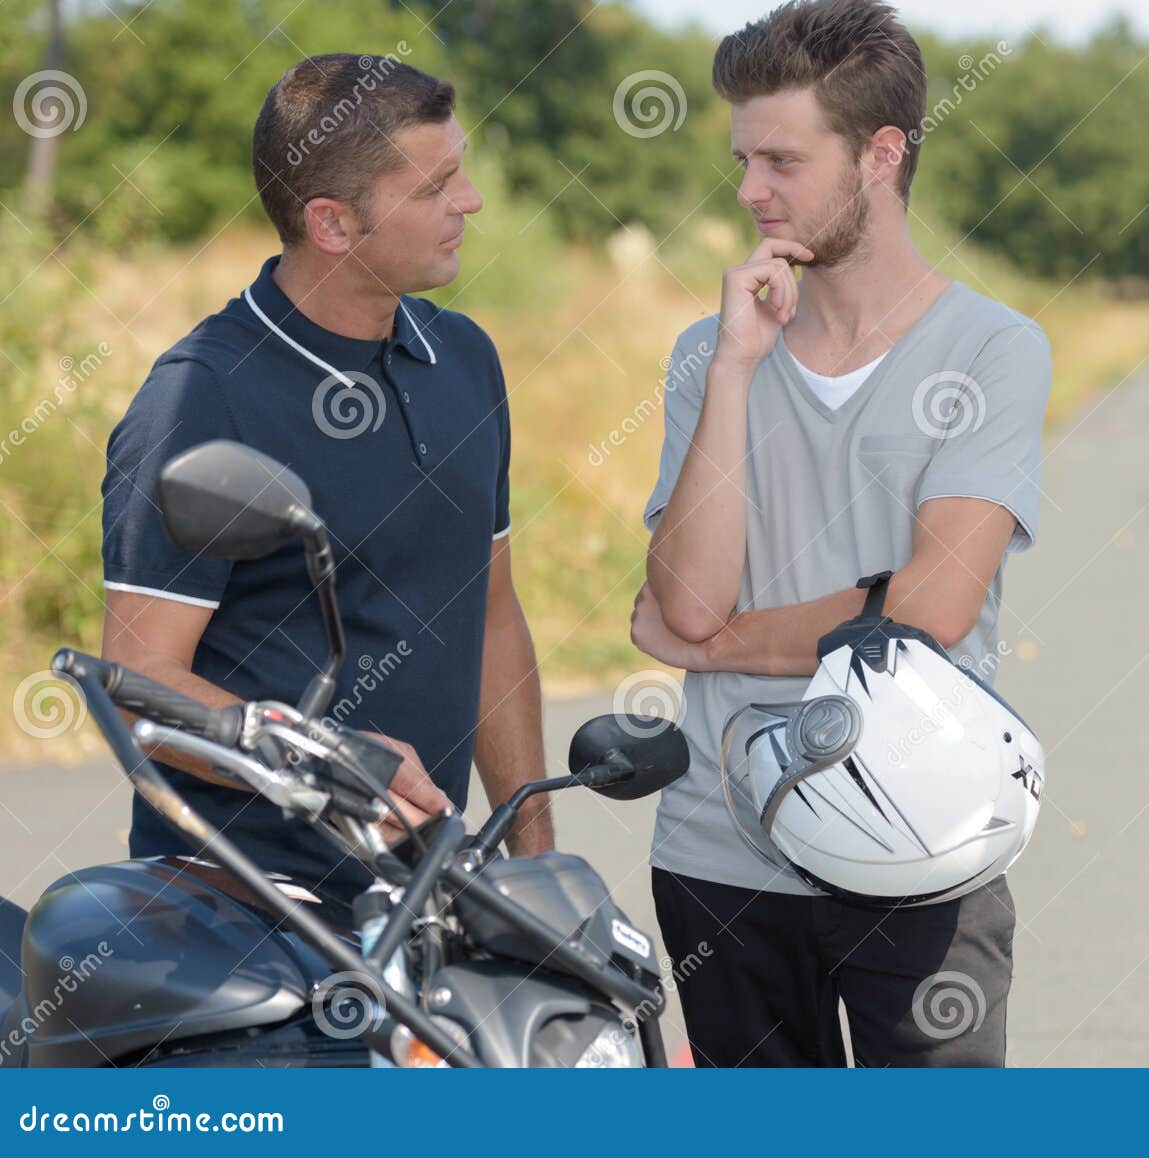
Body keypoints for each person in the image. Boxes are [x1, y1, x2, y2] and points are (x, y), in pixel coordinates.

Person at [629, 0, 1051, 1067]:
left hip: (922, 841)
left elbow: (931, 608)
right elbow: (683, 601)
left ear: (880, 153)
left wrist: (721, 646)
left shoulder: (994, 349)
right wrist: (734, 370)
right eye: (741, 160)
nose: (747, 193)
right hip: (720, 854)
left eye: (778, 160)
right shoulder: (707, 352)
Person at [99, 55, 552, 912]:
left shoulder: (464, 358)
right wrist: (328, 759)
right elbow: (137, 685)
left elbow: (490, 612)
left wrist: (531, 862)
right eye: (436, 185)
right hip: (239, 906)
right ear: (334, 224)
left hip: (423, 900)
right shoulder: (202, 397)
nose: (471, 201)